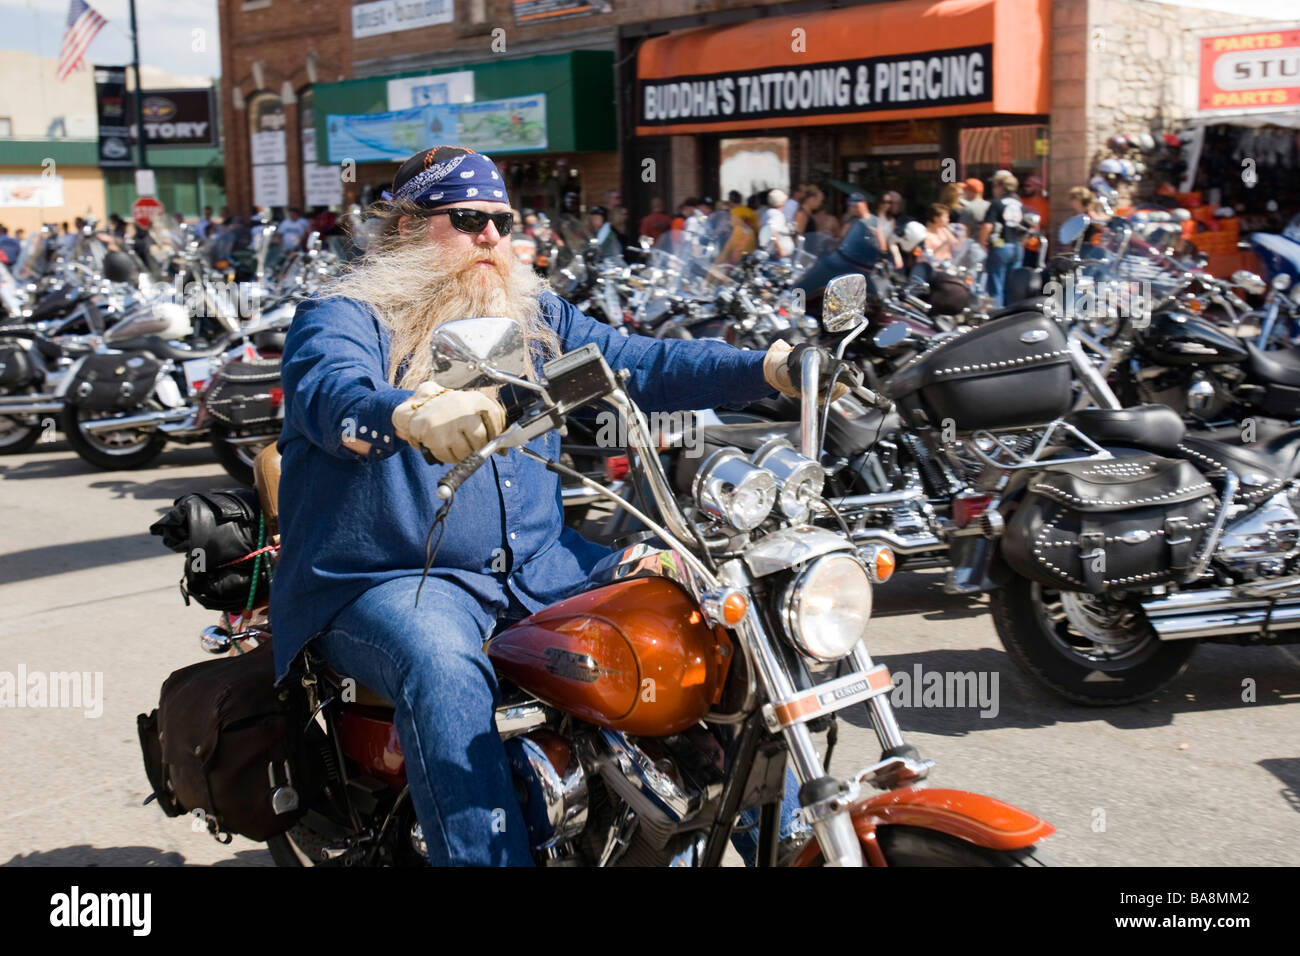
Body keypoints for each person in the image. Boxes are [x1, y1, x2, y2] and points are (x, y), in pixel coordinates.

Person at [274, 144, 829, 866]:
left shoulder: (534, 319)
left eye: (502, 221)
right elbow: (330, 394)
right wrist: (409, 414)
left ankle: (776, 830)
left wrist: (764, 367)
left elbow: (641, 362)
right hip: (396, 579)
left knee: (707, 599)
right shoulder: (344, 315)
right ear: (408, 227)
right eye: (468, 219)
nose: (492, 239)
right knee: (442, 664)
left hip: (541, 566)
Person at [978, 170, 1027, 306]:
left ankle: (998, 314)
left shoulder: (997, 203)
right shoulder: (1020, 204)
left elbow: (987, 226)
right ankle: (1011, 314)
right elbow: (1030, 227)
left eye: (994, 186)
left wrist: (982, 243)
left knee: (996, 285)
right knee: (1011, 285)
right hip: (1017, 246)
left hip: (1000, 245)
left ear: (1001, 187)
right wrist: (1021, 242)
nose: (993, 189)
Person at [865, 194, 903, 269]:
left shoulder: (891, 220)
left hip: (883, 254)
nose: (886, 204)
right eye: (884, 202)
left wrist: (897, 257)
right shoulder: (870, 217)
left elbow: (892, 242)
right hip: (869, 252)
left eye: (889, 202)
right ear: (878, 202)